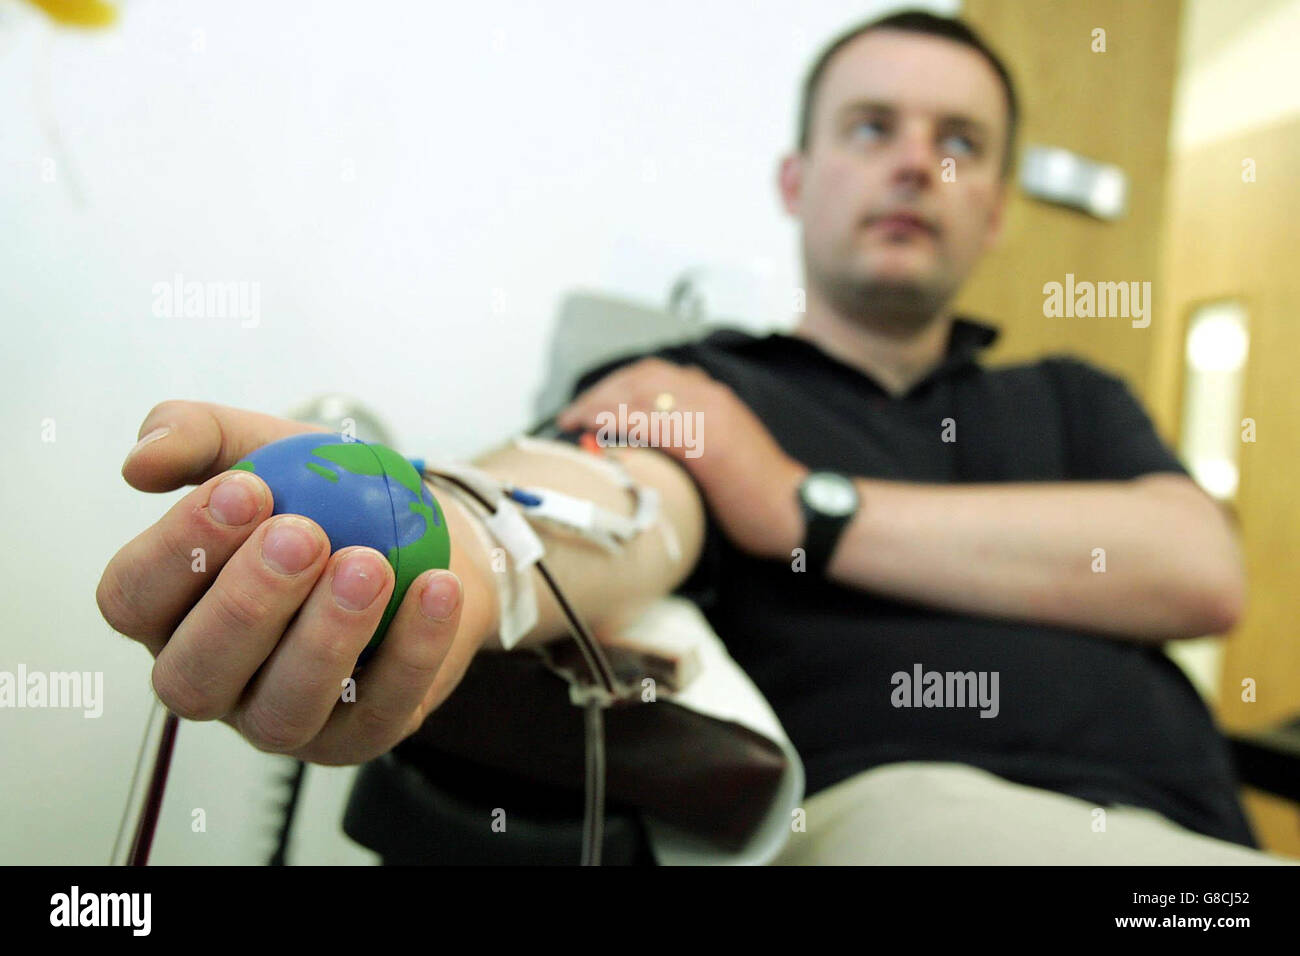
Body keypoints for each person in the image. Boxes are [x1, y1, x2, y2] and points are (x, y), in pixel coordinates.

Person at [96, 11, 1286, 864]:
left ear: (993, 208)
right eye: (872, 127)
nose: (918, 160)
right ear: (794, 176)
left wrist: (798, 502)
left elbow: (1196, 568)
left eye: (960, 143)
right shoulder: (699, 387)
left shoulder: (1072, 394)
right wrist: (447, 542)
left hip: (1202, 828)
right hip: (927, 817)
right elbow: (589, 504)